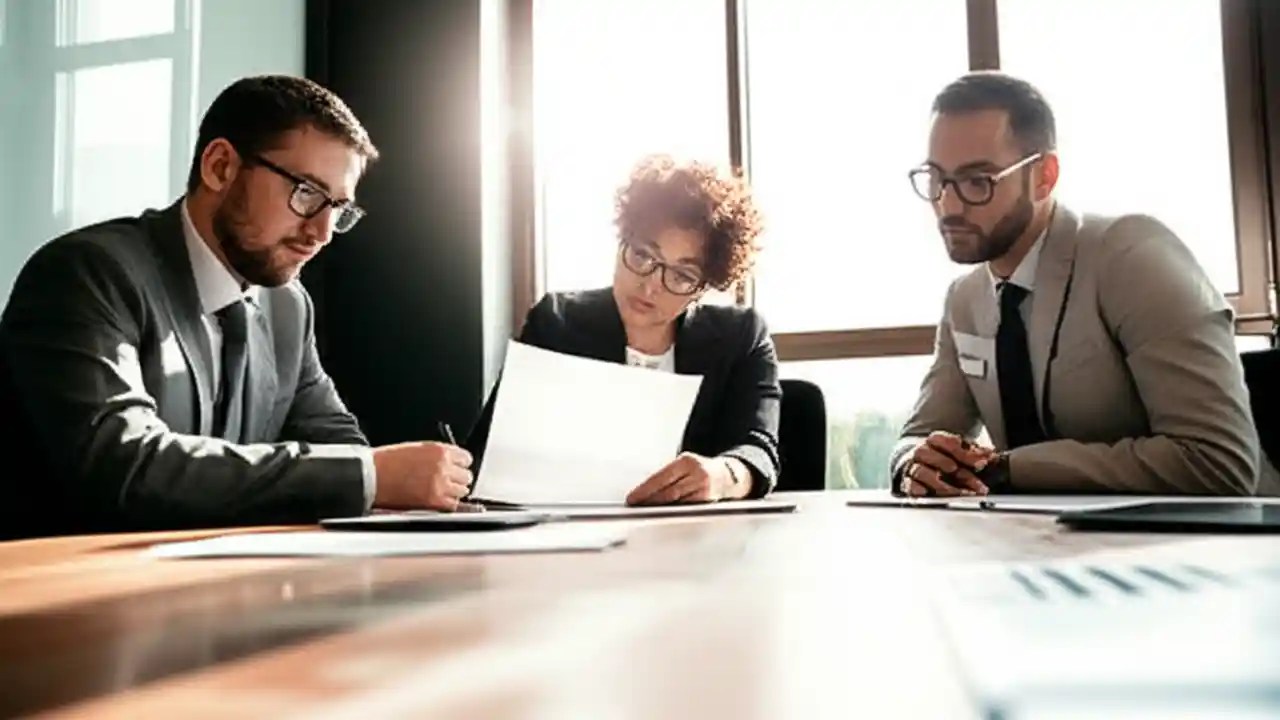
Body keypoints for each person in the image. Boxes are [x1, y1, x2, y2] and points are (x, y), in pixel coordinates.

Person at [0, 75, 472, 539]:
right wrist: (368, 476)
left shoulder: (288, 308)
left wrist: (396, 484)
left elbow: (338, 446)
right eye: (306, 193)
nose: (323, 232)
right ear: (221, 167)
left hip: (212, 591)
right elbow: (124, 466)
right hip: (61, 597)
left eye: (338, 208)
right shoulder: (87, 273)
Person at [889, 71, 1263, 497]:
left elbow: (1218, 461)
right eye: (937, 178)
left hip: (1221, 548)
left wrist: (1008, 468)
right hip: (1037, 547)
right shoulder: (964, 298)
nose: (948, 204)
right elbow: (920, 434)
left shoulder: (1131, 256)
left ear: (1045, 175)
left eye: (979, 182)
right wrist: (913, 462)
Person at [467, 155, 780, 504]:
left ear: (703, 287)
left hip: (696, 542)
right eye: (643, 256)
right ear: (622, 240)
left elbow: (758, 449)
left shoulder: (741, 338)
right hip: (573, 536)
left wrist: (724, 476)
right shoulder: (557, 322)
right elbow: (488, 454)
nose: (650, 286)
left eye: (681, 276)